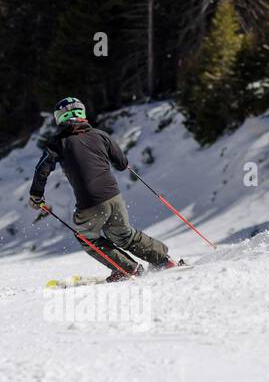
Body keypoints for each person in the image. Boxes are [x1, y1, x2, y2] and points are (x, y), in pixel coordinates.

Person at [28, 97, 175, 281]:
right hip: (114, 197)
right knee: (123, 234)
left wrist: (36, 195)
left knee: (86, 236)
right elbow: (122, 164)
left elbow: (42, 169)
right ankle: (163, 260)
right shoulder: (100, 135)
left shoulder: (57, 142)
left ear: (60, 117)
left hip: (90, 202)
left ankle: (129, 269)